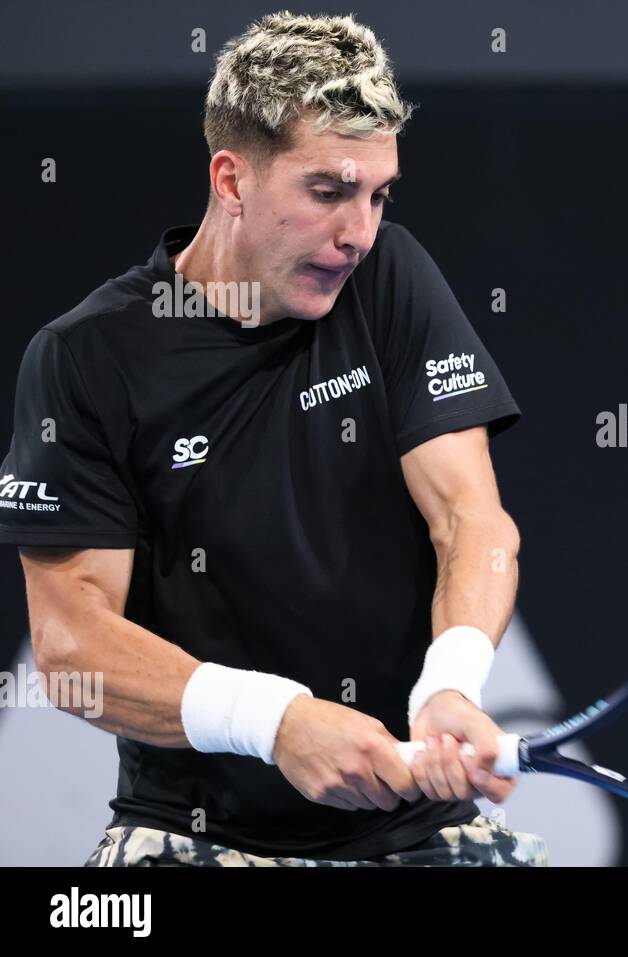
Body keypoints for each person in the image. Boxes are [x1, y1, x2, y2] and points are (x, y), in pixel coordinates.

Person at [0, 11, 546, 867]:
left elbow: (471, 520)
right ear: (231, 179)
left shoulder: (391, 278)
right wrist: (274, 720)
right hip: (189, 833)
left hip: (414, 831)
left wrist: (452, 680)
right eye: (327, 191)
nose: (358, 232)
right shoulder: (86, 357)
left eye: (378, 194)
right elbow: (71, 637)